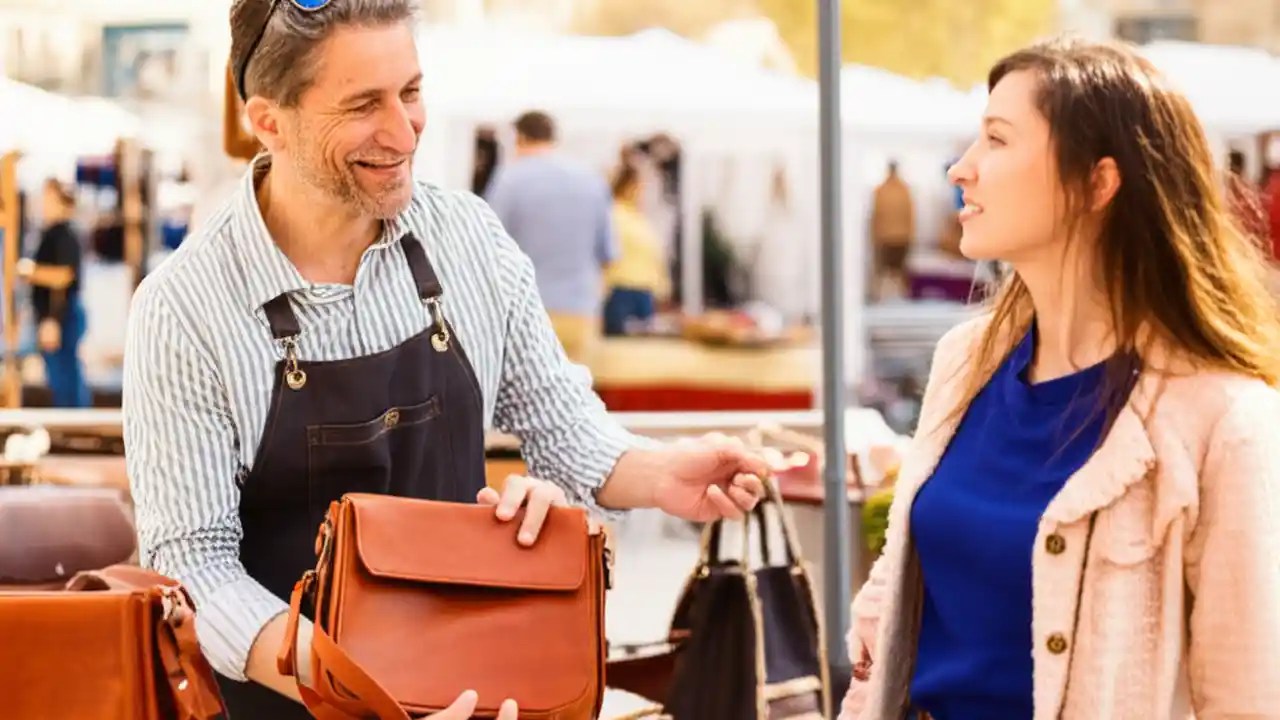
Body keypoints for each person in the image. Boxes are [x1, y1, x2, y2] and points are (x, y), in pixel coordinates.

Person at [121, 2, 768, 719]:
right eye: (364, 104)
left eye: (411, 92)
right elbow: (193, 568)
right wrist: (362, 692)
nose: (403, 132)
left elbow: (564, 426)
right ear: (269, 120)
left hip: (477, 695)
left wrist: (660, 472)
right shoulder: (183, 310)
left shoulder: (467, 239)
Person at [840, 36, 1280, 719]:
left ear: (1098, 183)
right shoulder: (966, 360)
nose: (962, 168)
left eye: (997, 140)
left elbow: (1248, 699)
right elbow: (905, 584)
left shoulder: (1225, 420)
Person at [484, 110, 616, 364]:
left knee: (523, 399)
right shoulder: (591, 180)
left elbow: (489, 247)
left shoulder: (509, 180)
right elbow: (608, 254)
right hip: (580, 312)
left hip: (524, 313)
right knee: (579, 394)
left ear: (519, 137)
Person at [18, 178, 90, 407]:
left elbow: (63, 277)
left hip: (61, 314)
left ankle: (76, 427)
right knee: (60, 376)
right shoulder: (50, 233)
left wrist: (31, 272)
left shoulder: (64, 235)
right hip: (55, 315)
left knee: (66, 378)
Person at [602, 152, 670, 336]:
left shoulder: (639, 218)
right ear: (628, 186)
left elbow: (653, 256)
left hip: (645, 293)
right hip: (620, 292)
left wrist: (662, 288)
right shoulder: (611, 215)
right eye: (641, 186)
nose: (643, 191)